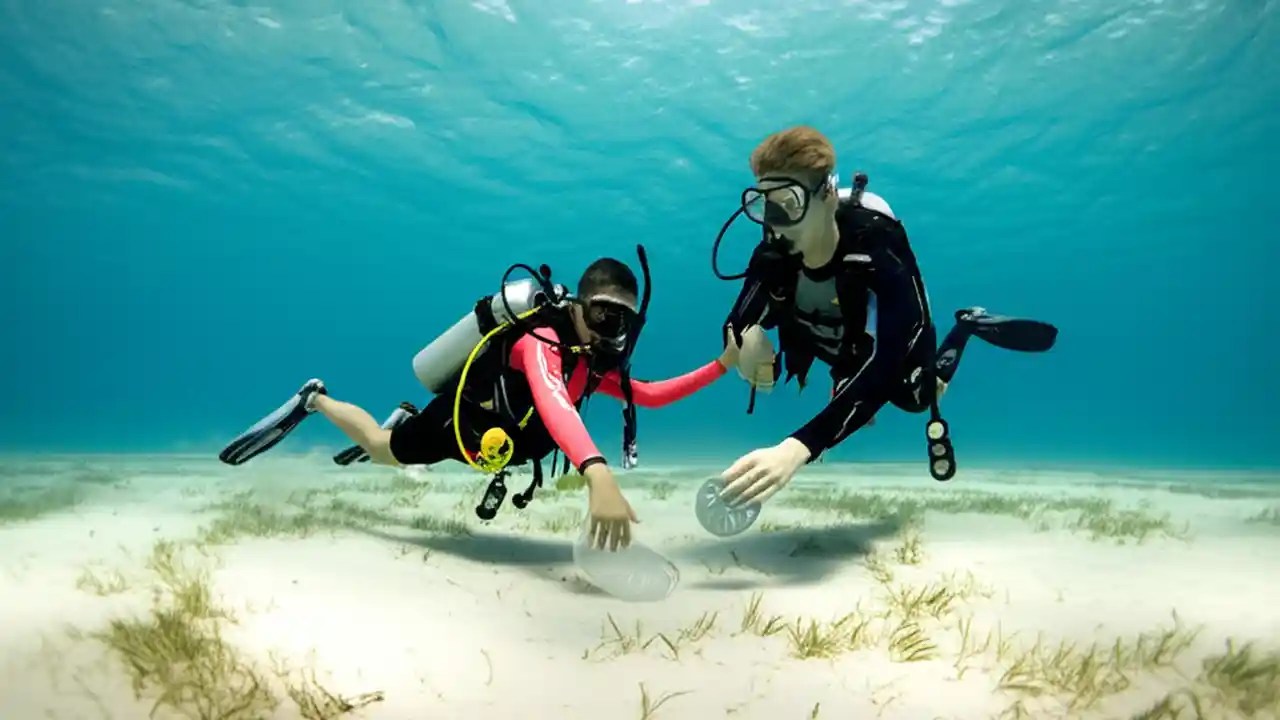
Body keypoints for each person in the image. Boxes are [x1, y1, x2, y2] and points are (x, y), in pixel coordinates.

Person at [219, 253, 738, 552]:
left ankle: (397, 418)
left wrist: (722, 365)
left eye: (624, 321)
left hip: (497, 447)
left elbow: (647, 395)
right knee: (380, 448)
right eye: (604, 315)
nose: (612, 331)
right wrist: (598, 473)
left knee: (388, 444)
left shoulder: (589, 365)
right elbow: (553, 402)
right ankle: (316, 401)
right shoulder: (540, 343)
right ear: (578, 307)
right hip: (460, 430)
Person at [712, 126, 1058, 506]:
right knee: (842, 379)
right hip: (833, 341)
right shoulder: (772, 255)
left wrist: (797, 447)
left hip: (888, 344)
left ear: (827, 194)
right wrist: (747, 340)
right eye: (763, 203)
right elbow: (736, 320)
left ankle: (967, 325)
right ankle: (846, 379)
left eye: (789, 203)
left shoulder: (877, 251)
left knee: (917, 398)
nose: (773, 222)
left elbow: (886, 368)